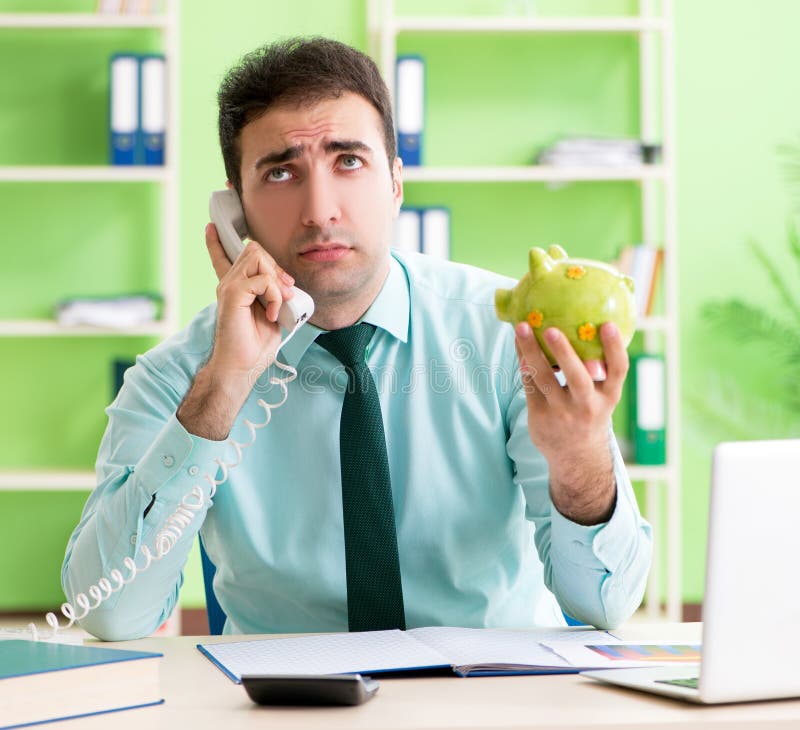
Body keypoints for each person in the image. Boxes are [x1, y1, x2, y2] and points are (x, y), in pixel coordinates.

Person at [62, 37, 651, 641]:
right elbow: (111, 614)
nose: (320, 210)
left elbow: (607, 604)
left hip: (489, 696)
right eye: (282, 171)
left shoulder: (507, 337)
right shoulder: (181, 375)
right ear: (233, 213)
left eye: (348, 161)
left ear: (396, 183)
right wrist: (222, 388)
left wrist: (580, 458)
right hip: (287, 708)